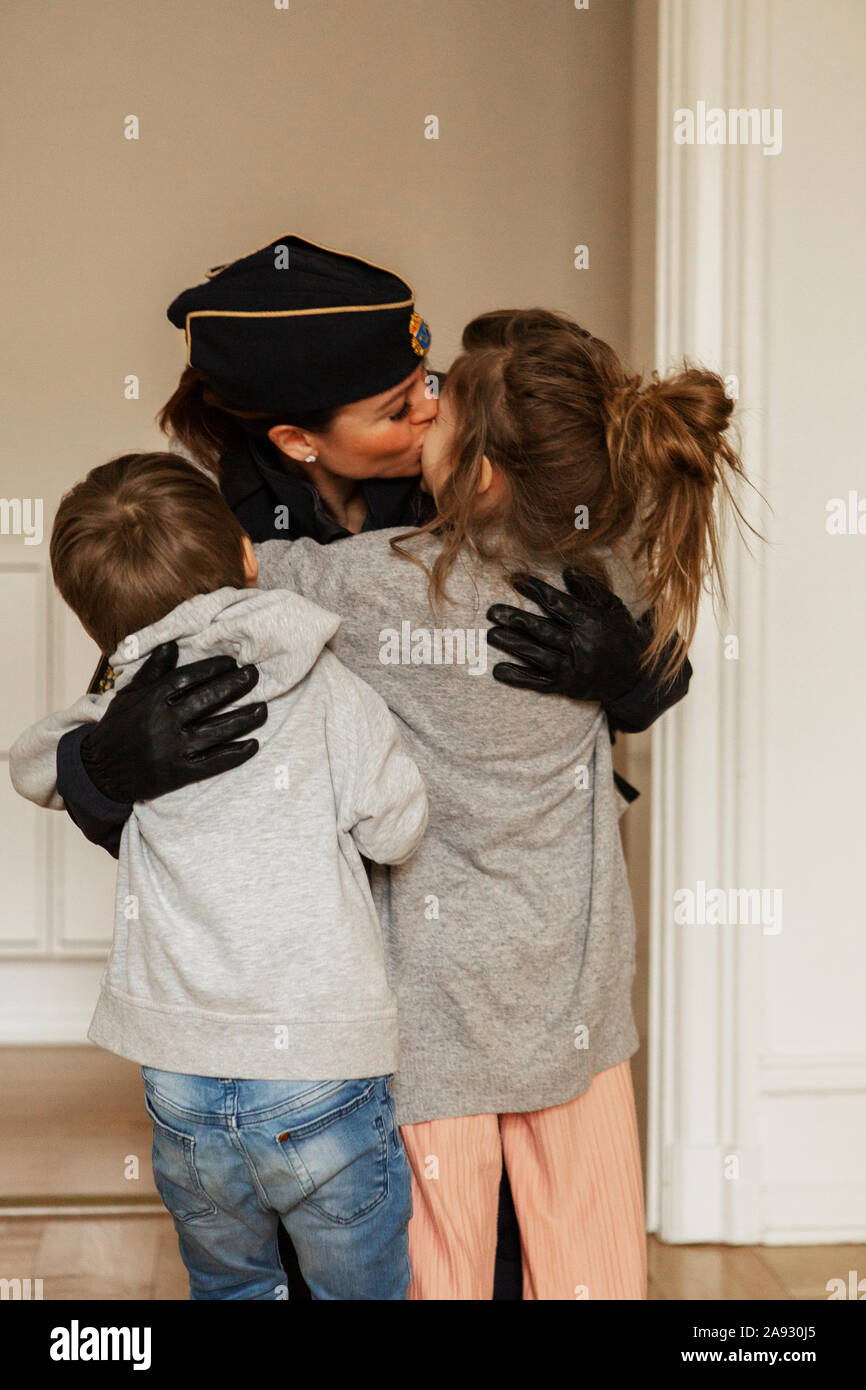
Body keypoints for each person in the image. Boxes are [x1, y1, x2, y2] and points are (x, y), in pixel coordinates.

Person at [39, 236, 693, 1298]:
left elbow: (626, 605)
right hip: (336, 1007)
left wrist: (632, 674)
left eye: (428, 384)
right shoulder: (222, 539)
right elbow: (132, 709)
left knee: (515, 1240)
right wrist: (102, 771)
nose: (431, 412)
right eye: (397, 409)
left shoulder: (492, 466)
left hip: (509, 961)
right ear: (297, 439)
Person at [234, 306, 751, 1296]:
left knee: (438, 1256)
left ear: (477, 472)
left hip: (433, 1000)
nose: (422, 415)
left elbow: (232, 568)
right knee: (591, 1247)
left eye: (440, 407)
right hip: (576, 988)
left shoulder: (378, 587)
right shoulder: (619, 567)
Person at [10, 452, 428, 1300]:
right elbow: (397, 829)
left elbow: (30, 766)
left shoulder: (125, 707)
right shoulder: (329, 689)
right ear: (246, 554)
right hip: (320, 1066)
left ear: (98, 623)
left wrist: (97, 750)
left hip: (181, 1077)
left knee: (233, 1287)